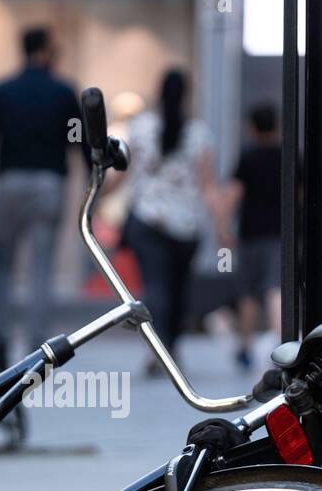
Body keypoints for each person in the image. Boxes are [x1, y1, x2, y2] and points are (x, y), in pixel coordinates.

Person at [0, 26, 83, 351]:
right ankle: (38, 342)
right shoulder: (63, 91)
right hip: (49, 183)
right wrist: (94, 180)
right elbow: (77, 139)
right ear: (46, 51)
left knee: (2, 265)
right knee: (41, 267)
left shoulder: (2, 91)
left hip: (10, 181)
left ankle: (2, 335)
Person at [120, 69, 216, 368]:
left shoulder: (141, 127)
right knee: (178, 289)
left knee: (155, 287)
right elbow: (207, 185)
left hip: (148, 219)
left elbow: (124, 173)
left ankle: (157, 349)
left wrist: (94, 195)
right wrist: (224, 227)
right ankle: (170, 349)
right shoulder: (199, 133)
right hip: (187, 226)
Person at [215, 103, 282, 369]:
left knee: (249, 292)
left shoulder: (248, 157)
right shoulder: (285, 156)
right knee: (276, 288)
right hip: (279, 233)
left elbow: (233, 194)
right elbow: (300, 195)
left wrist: (223, 227)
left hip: (251, 233)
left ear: (252, 128)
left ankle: (245, 346)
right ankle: (281, 344)